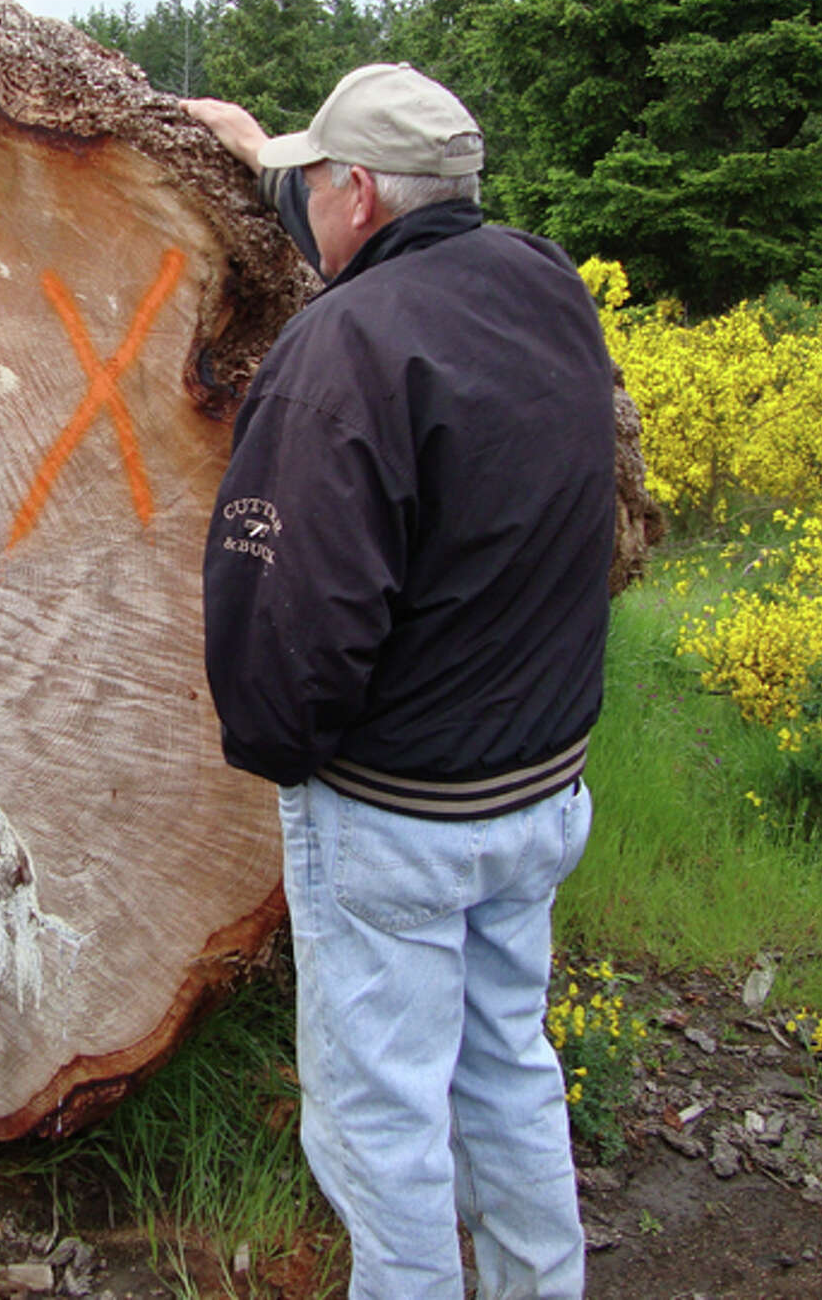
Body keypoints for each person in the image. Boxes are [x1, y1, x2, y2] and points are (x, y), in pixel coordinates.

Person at [185, 64, 616, 1300]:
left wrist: (278, 745)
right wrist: (254, 153)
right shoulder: (544, 288)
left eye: (314, 180)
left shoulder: (341, 348)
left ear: (358, 193)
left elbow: (296, 615)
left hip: (399, 820)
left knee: (382, 1127)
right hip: (535, 796)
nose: (305, 202)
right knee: (506, 1067)